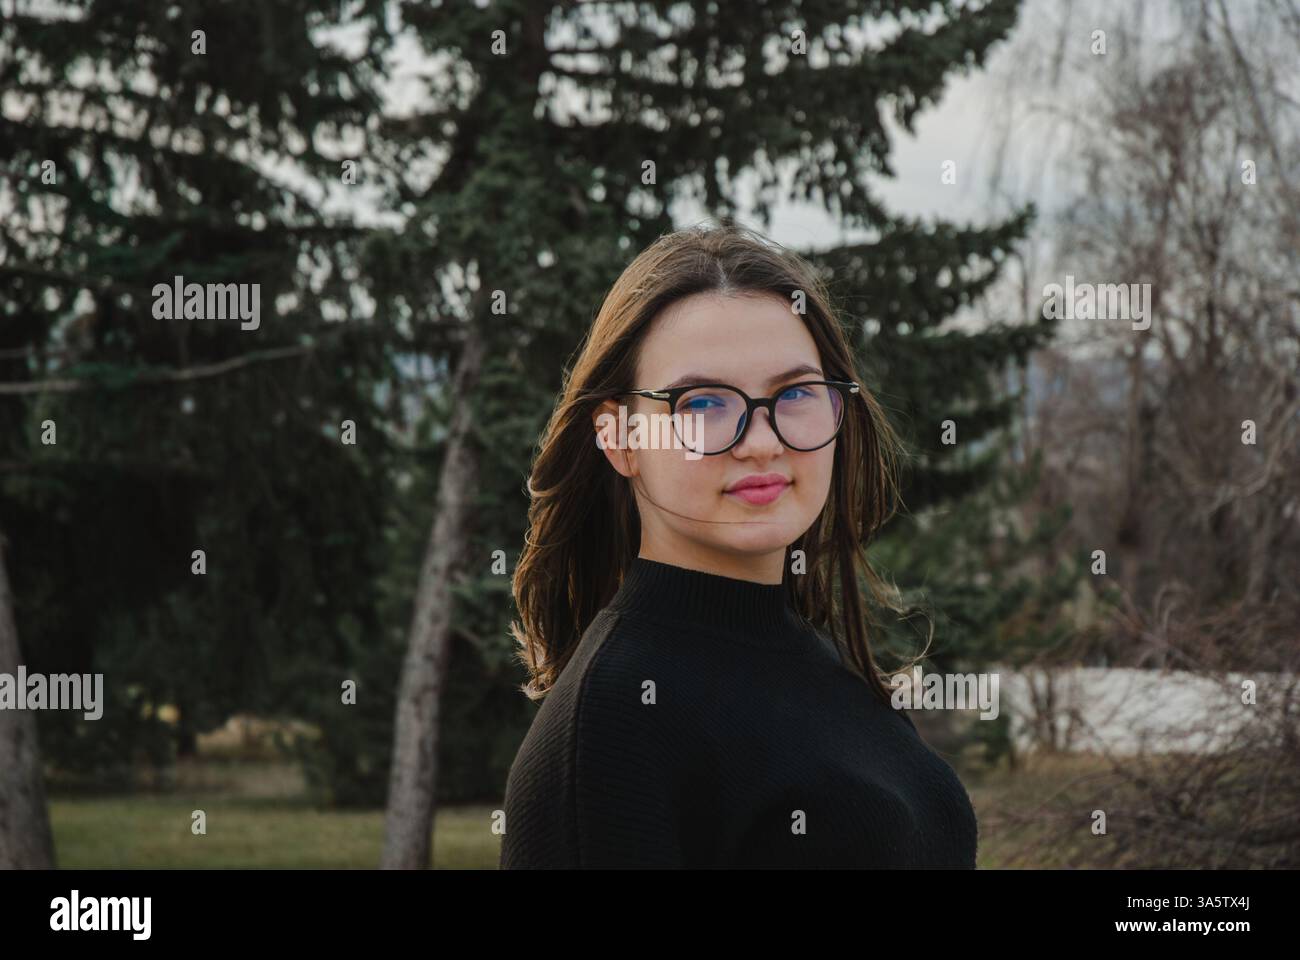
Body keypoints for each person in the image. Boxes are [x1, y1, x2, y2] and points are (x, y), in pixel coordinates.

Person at [499, 220, 978, 868]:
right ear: (618, 439)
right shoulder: (613, 724)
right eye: (702, 404)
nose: (762, 441)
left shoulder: (822, 659)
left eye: (796, 393)